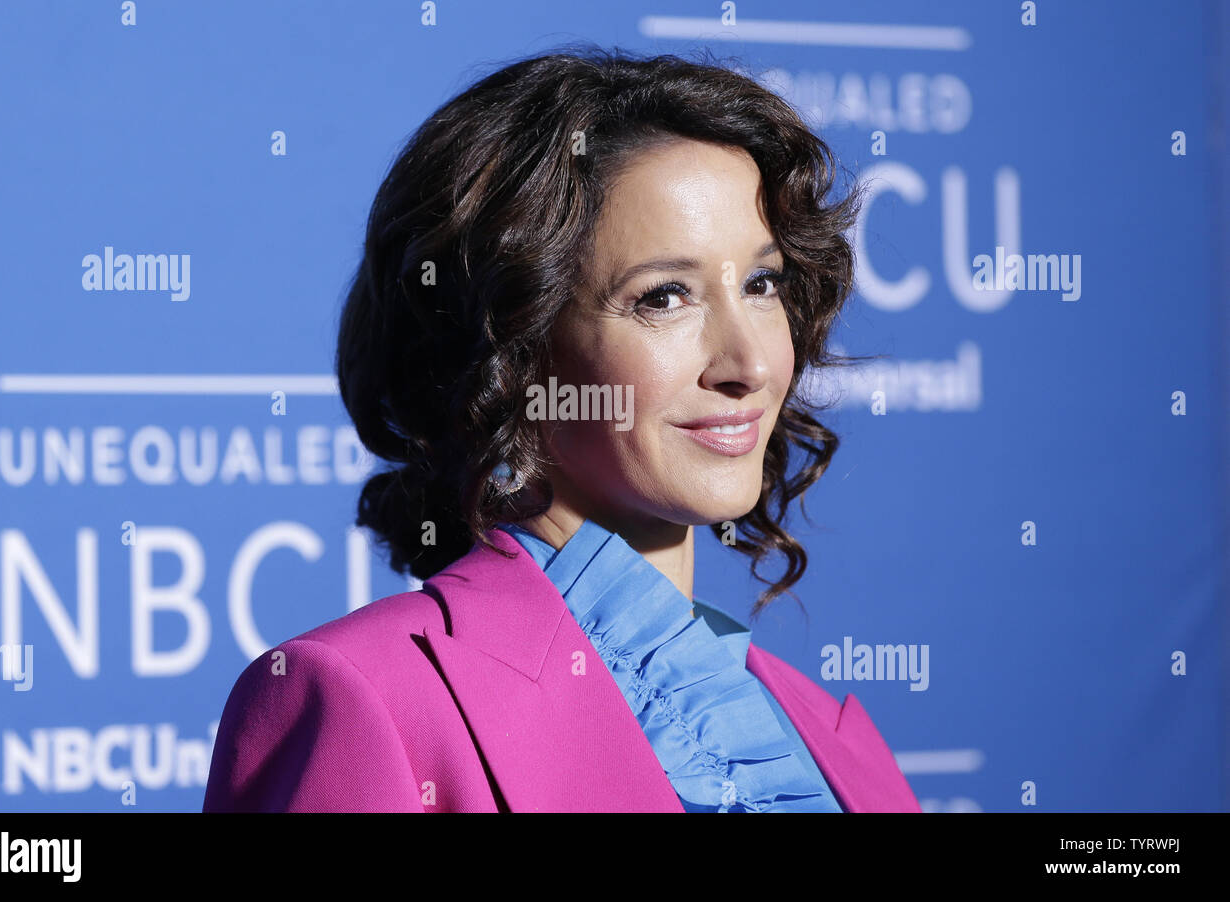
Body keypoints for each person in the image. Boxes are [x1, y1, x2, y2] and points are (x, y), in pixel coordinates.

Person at [203, 45, 921, 813]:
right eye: (664, 297)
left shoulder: (817, 731)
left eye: (761, 283)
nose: (748, 361)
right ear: (510, 353)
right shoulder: (364, 701)